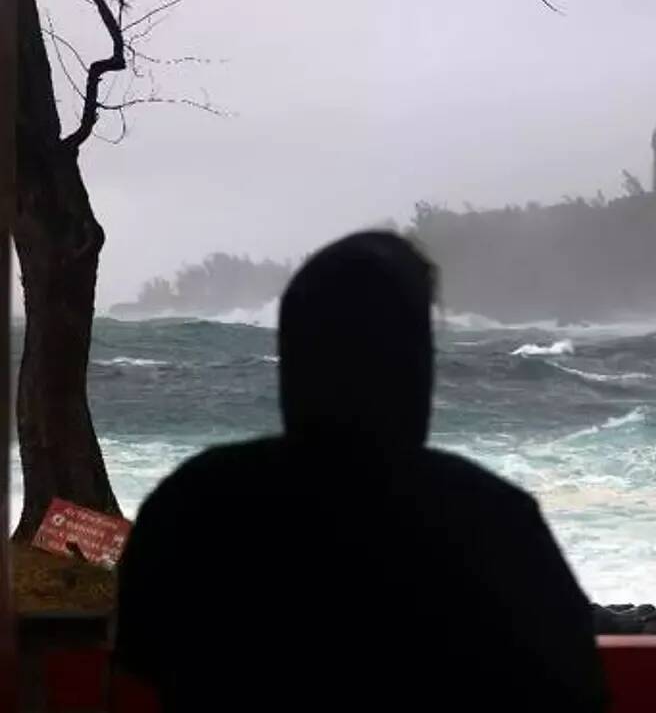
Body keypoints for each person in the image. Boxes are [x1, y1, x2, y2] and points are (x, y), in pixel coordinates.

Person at [114, 232, 609, 712]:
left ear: (294, 358)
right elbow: (575, 693)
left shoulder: (193, 509)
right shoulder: (495, 523)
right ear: (414, 366)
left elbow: (134, 676)